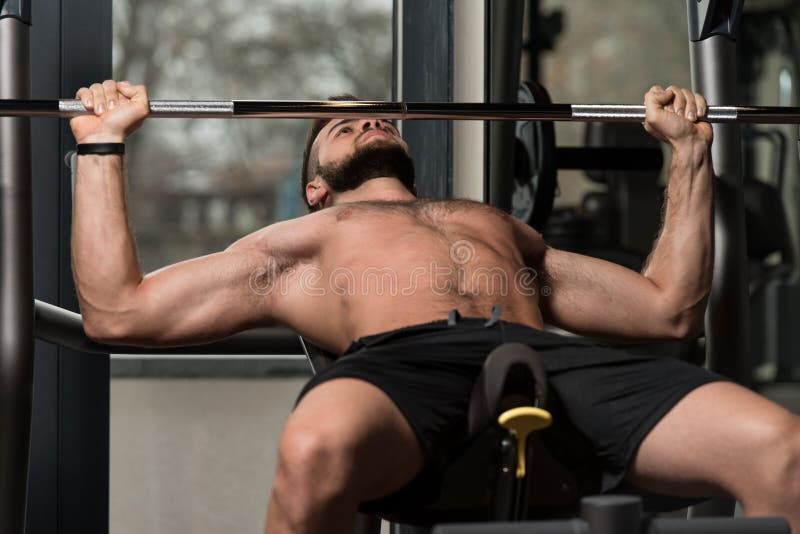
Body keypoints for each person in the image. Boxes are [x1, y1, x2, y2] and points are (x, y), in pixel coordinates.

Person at [69, 80, 800, 534]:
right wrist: (103, 146)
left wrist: (690, 154)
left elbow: (668, 310)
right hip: (403, 367)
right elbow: (118, 312)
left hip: (557, 361)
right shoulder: (296, 243)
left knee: (783, 450)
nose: (367, 122)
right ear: (315, 187)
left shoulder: (494, 225)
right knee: (313, 451)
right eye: (337, 128)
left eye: (377, 117)